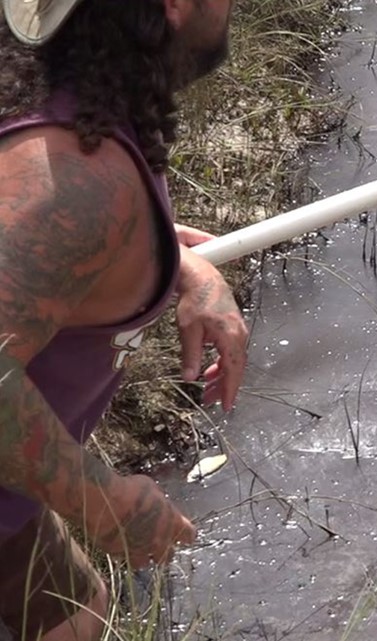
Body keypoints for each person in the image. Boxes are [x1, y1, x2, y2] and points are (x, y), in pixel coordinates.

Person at [0, 0, 249, 639]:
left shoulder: (82, 112)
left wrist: (171, 263)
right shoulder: (77, 182)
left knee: (78, 620)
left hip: (12, 494)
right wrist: (102, 502)